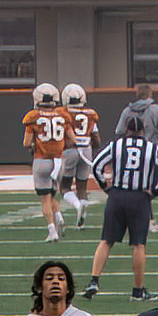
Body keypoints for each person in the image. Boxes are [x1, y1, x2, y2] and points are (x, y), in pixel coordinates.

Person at [83, 116, 158, 302]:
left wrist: (105, 186)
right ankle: (138, 290)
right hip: (139, 198)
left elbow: (97, 165)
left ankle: (94, 280)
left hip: (117, 196)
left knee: (106, 240)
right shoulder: (152, 148)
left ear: (126, 129)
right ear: (143, 131)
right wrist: (155, 191)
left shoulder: (116, 145)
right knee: (138, 244)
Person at [114, 83, 158, 234]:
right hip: (151, 151)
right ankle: (148, 219)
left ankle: (133, 218)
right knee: (149, 188)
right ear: (150, 94)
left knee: (134, 186)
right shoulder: (157, 109)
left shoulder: (128, 110)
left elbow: (119, 130)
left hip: (131, 151)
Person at [21, 83, 73, 242]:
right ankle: (58, 215)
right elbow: (73, 139)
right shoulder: (63, 116)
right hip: (58, 161)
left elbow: (26, 143)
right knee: (52, 194)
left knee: (44, 198)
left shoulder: (34, 117)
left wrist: (36, 146)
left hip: (42, 160)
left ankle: (52, 230)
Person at [58, 84, 100, 230]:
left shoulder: (63, 113)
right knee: (82, 187)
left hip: (70, 149)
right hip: (86, 149)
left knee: (65, 187)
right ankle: (83, 218)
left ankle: (77, 206)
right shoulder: (90, 114)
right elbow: (97, 139)